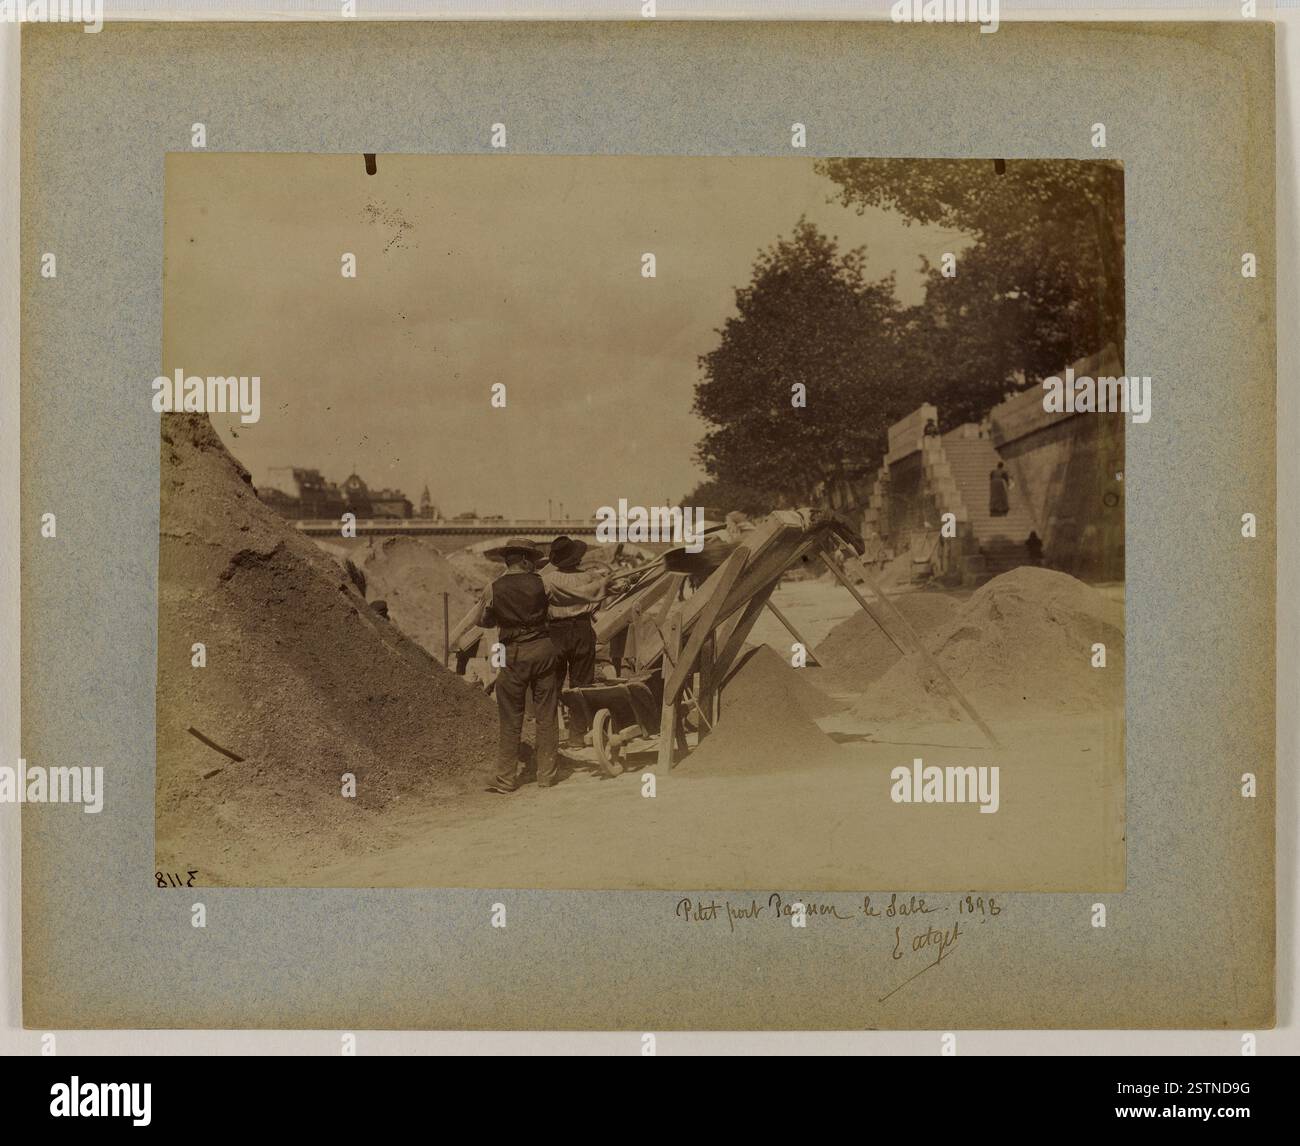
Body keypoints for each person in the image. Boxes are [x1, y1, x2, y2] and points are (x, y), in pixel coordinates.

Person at [472, 538, 560, 793]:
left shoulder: (493, 587)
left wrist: (500, 617)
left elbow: (482, 621)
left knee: (511, 716)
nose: (534, 564)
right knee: (546, 714)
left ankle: (506, 779)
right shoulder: (543, 583)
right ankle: (546, 775)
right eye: (532, 560)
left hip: (512, 654)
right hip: (544, 650)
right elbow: (556, 607)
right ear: (524, 559)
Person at [541, 536, 609, 745]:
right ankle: (577, 735)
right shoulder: (589, 578)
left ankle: (549, 735)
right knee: (582, 683)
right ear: (577, 557)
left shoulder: (548, 580)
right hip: (581, 628)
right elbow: (599, 602)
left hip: (556, 632)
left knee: (552, 683)